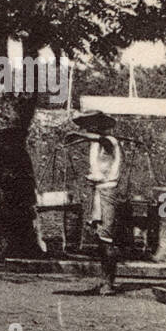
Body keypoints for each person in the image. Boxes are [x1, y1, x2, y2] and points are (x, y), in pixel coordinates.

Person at [65, 111, 123, 294]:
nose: (89, 128)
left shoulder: (110, 141)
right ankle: (104, 279)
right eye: (87, 125)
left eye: (92, 125)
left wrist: (80, 135)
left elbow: (104, 141)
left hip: (108, 190)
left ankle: (109, 282)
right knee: (99, 238)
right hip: (97, 191)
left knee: (107, 238)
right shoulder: (94, 143)